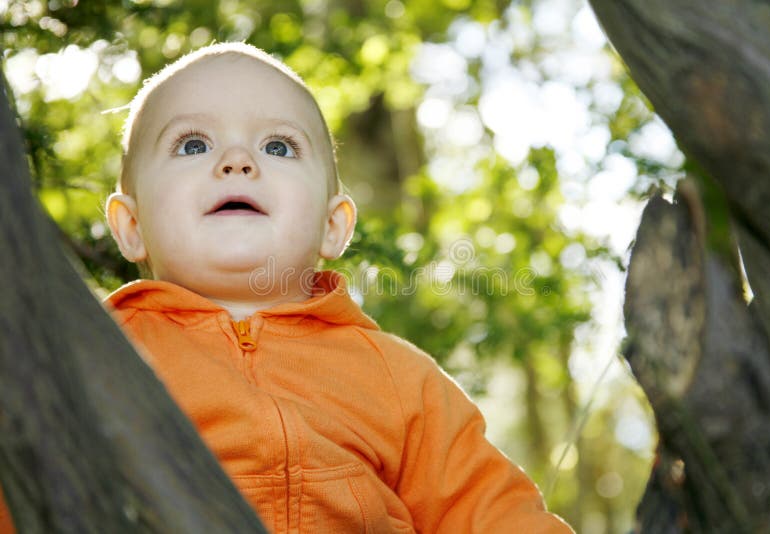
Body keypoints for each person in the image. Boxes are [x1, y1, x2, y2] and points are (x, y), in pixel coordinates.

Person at [0, 42, 572, 533]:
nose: (237, 161)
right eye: (192, 145)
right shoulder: (87, 359)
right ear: (130, 224)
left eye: (278, 147)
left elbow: (492, 513)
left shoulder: (400, 383)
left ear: (333, 225)